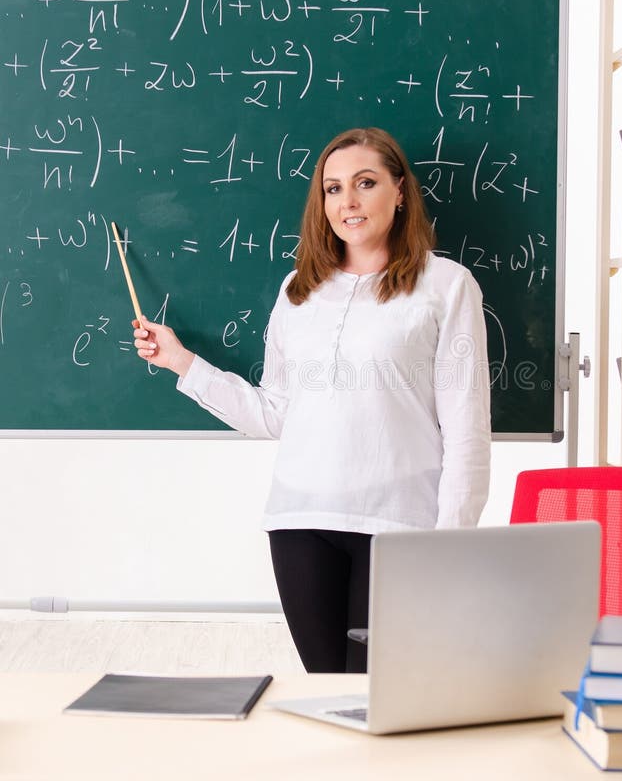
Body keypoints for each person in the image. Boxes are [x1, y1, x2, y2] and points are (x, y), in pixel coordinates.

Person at [132, 127, 491, 673]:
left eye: (365, 183)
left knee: (382, 695)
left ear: (399, 191)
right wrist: (181, 361)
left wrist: (450, 542)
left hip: (400, 527)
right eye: (332, 188)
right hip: (300, 523)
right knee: (325, 693)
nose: (347, 201)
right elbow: (274, 413)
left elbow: (467, 432)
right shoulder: (298, 290)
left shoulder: (445, 285)